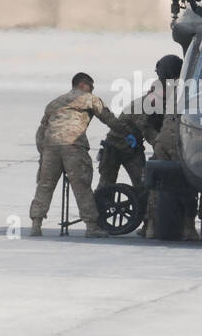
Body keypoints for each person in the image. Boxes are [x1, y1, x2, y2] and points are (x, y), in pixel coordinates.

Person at [29, 72, 130, 238]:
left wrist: (44, 151)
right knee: (81, 186)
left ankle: (36, 224)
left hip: (51, 147)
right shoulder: (89, 98)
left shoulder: (54, 103)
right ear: (85, 86)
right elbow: (108, 118)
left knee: (45, 185)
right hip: (73, 147)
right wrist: (126, 132)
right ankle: (91, 226)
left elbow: (41, 131)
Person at [147, 54, 202, 241]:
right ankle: (195, 226)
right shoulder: (199, 86)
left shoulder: (160, 87)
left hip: (164, 139)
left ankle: (151, 226)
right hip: (186, 139)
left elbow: (150, 114)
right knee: (193, 182)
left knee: (157, 183)